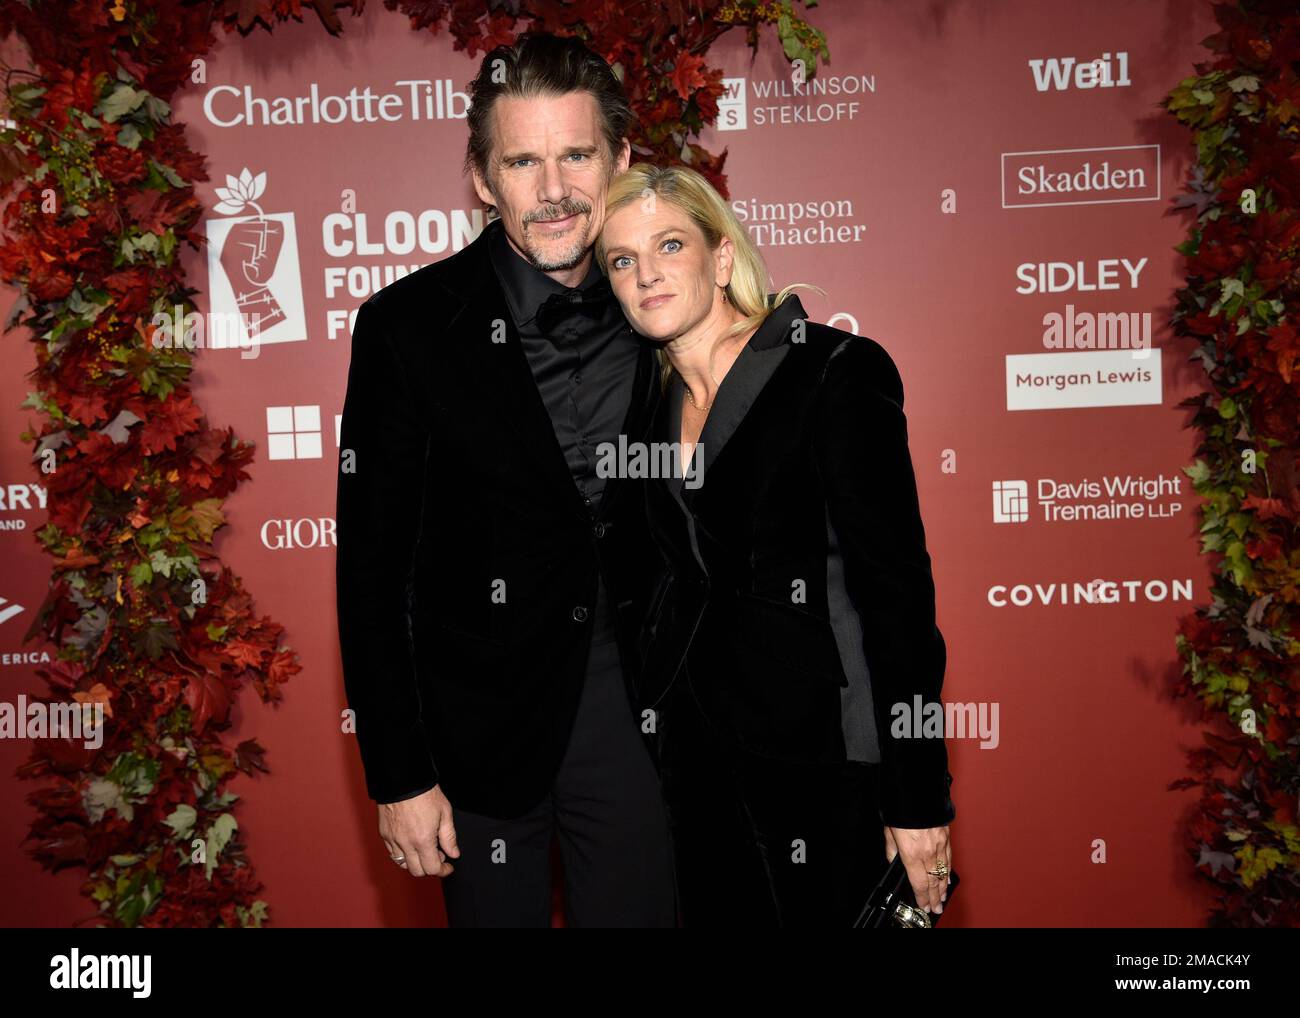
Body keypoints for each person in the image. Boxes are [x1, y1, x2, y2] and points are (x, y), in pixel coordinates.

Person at [335, 33, 676, 927]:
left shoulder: (669, 302)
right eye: (523, 161)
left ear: (621, 160)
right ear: (484, 178)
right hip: (476, 737)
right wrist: (399, 773)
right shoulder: (406, 329)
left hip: (639, 723)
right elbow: (371, 574)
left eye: (576, 156)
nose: (554, 190)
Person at [596, 163, 957, 926]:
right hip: (694, 774)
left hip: (826, 765)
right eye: (623, 260)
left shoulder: (833, 372)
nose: (647, 275)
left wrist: (916, 792)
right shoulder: (643, 410)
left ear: (721, 258)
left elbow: (897, 596)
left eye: (668, 245)